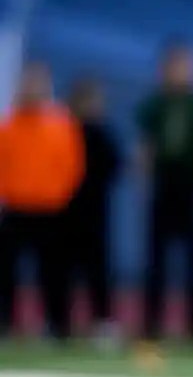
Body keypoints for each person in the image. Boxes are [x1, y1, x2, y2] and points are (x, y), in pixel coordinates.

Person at [136, 40, 193, 358]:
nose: (179, 72)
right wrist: (145, 180)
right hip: (164, 185)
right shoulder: (155, 104)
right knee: (156, 259)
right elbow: (145, 146)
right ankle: (151, 325)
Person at [0, 61, 84, 341]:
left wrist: (59, 194)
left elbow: (72, 166)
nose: (32, 89)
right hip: (17, 207)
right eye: (28, 83)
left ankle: (57, 326)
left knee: (54, 273)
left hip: (51, 209)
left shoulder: (61, 125)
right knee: (6, 272)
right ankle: (6, 324)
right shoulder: (9, 125)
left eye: (38, 84)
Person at [66, 77, 123, 346]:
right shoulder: (63, 132)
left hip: (95, 212)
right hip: (64, 211)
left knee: (97, 269)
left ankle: (102, 321)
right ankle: (59, 322)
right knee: (62, 269)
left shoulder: (103, 135)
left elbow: (115, 168)